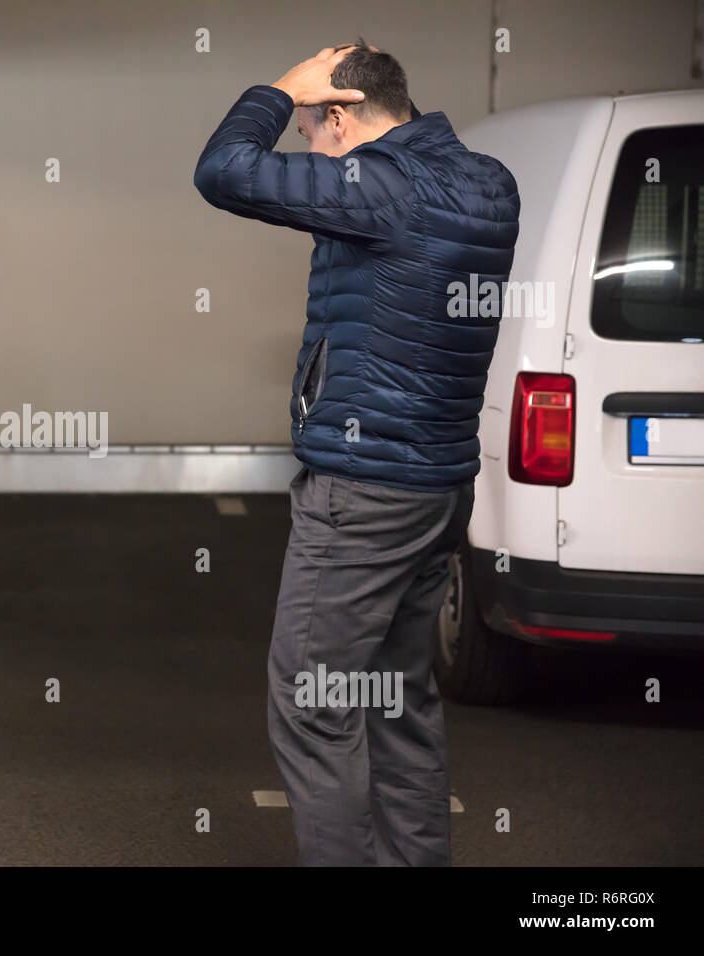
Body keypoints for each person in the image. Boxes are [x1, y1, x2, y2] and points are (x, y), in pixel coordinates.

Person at [193, 41, 520, 865]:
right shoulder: (489, 182)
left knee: (314, 702)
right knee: (399, 698)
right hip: (438, 485)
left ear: (341, 115)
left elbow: (224, 170)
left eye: (311, 127)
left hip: (364, 487)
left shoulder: (381, 184)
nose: (306, 144)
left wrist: (275, 89)